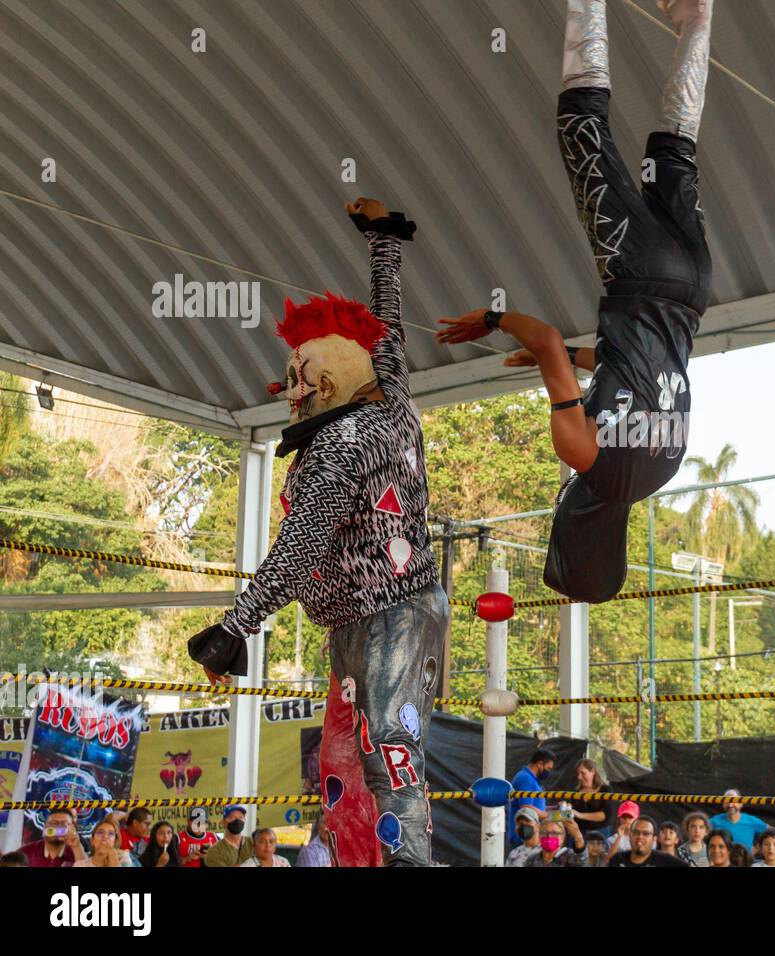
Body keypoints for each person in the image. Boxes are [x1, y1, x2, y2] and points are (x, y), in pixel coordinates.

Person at [187, 196, 449, 867]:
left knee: (387, 735)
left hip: (391, 613)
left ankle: (410, 860)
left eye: (300, 378)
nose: (288, 388)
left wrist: (234, 628)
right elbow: (384, 333)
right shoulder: (387, 397)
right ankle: (360, 855)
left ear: (328, 381)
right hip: (367, 616)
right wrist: (384, 245)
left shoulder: (339, 444)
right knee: (345, 749)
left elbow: (300, 547)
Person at [436, 0, 715, 605]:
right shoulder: (582, 454)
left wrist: (575, 359)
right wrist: (490, 322)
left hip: (693, 286)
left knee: (676, 147)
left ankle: (697, 19)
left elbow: (641, 372)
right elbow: (542, 338)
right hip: (636, 271)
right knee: (580, 127)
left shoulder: (658, 469)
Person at [509, 747, 556, 847]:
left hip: (531, 835)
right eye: (548, 768)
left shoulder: (532, 780)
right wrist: (558, 815)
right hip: (524, 836)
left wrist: (556, 809)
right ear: (540, 764)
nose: (549, 772)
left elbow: (535, 807)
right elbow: (526, 809)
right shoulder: (525, 779)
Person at [610, 817, 688, 867]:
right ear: (630, 836)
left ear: (654, 839)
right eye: (636, 832)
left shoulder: (666, 860)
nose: (640, 837)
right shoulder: (618, 859)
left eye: (646, 834)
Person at [18, 809, 83, 867]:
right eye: (54, 823)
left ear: (73, 829)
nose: (59, 827)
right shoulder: (26, 852)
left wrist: (76, 847)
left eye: (64, 824)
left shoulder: (76, 852)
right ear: (45, 827)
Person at [568, 757, 609, 836]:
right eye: (578, 774)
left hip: (600, 835)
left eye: (583, 773)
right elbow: (571, 814)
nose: (579, 777)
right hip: (578, 833)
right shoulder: (575, 792)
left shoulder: (605, 790)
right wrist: (563, 810)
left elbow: (605, 815)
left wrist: (580, 815)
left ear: (593, 771)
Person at [73, 819, 139, 868]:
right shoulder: (80, 865)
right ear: (92, 840)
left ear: (115, 842)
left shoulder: (124, 859)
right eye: (100, 832)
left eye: (110, 833)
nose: (105, 836)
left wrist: (113, 858)